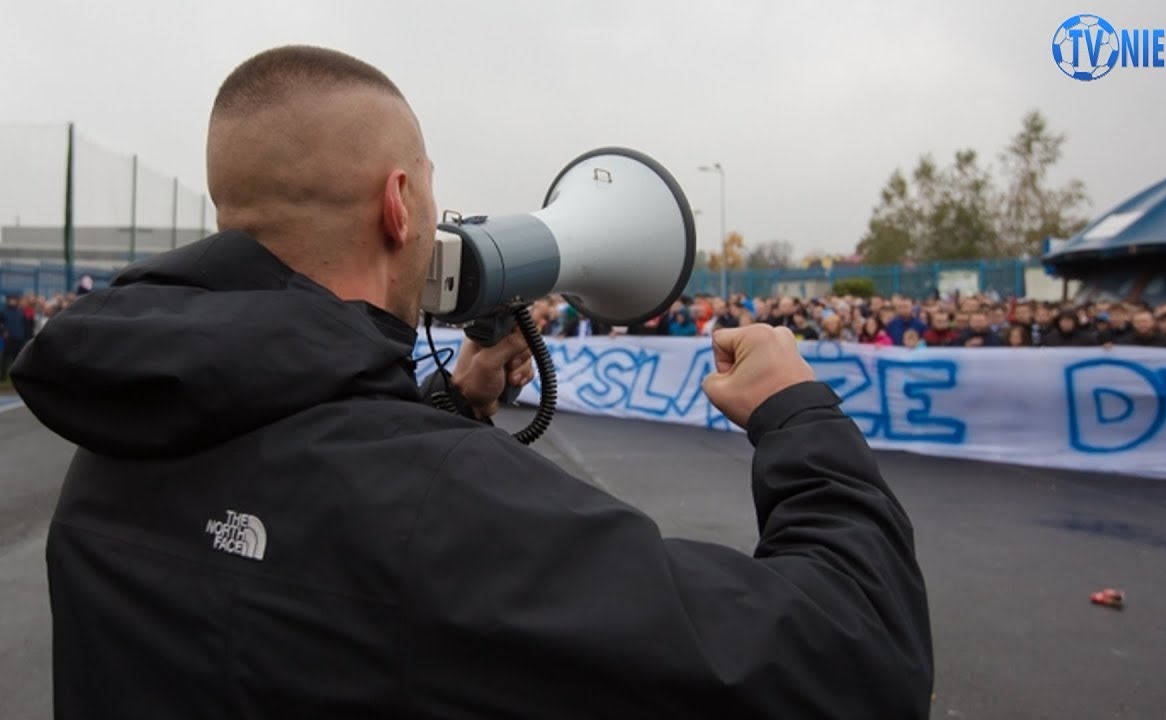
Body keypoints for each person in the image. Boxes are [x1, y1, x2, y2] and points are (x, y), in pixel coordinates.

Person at [12, 46, 932, 719]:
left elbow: (301, 510)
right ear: (399, 202)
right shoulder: (433, 506)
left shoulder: (119, 434)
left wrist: (452, 406)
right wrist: (797, 416)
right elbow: (854, 659)